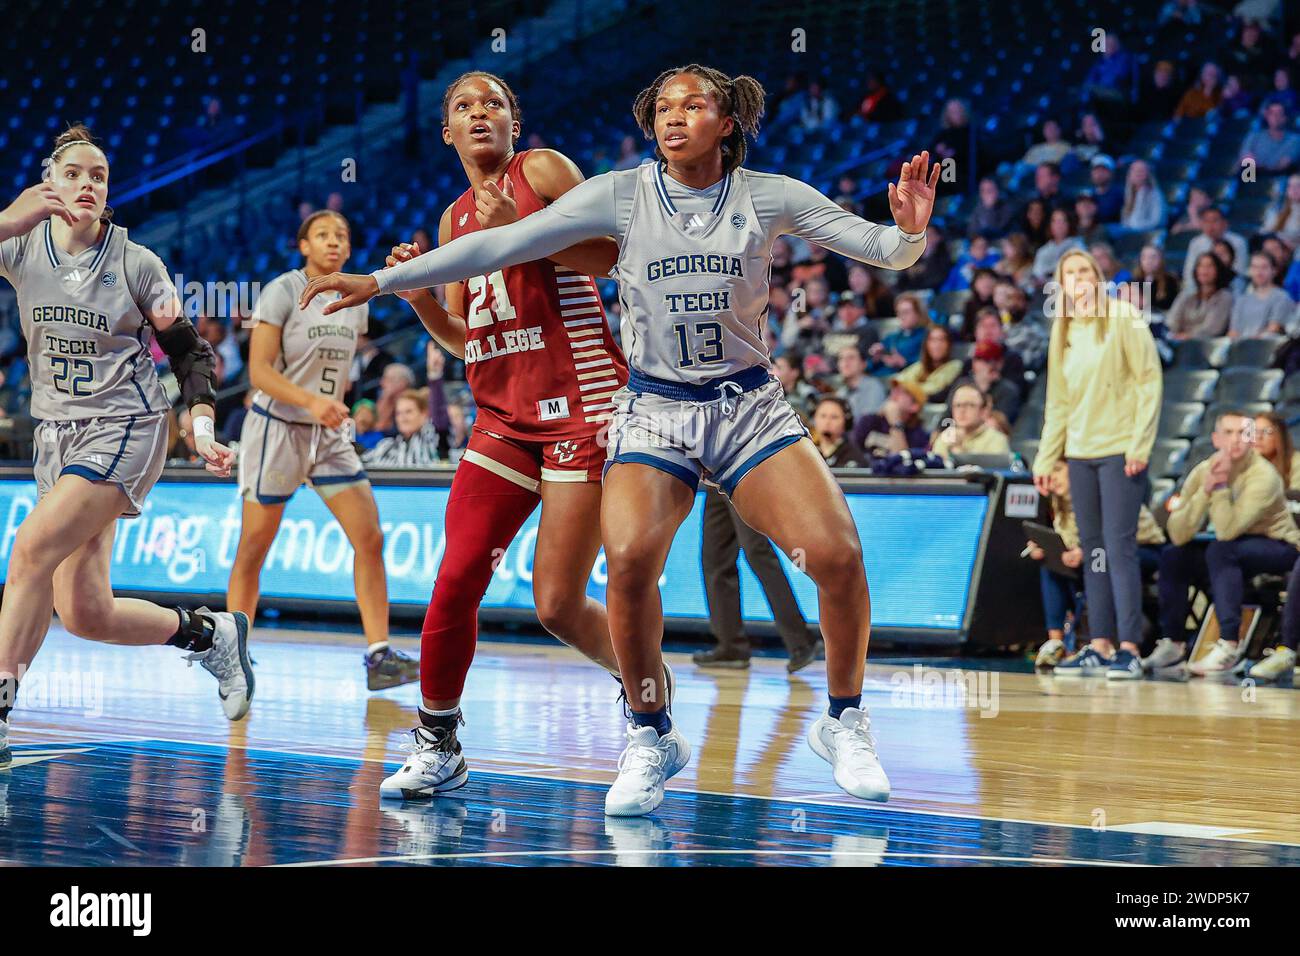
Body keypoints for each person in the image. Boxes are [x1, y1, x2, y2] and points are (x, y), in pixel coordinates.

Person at [301, 64, 939, 814]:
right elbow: (487, 271)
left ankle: (844, 720)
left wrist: (908, 228)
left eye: (693, 105)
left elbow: (888, 253)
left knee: (833, 554)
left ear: (726, 121)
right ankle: (643, 730)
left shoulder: (763, 193)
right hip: (641, 407)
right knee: (620, 561)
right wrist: (379, 283)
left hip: (718, 406)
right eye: (663, 106)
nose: (674, 116)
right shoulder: (617, 191)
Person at [366, 71, 640, 801]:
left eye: (493, 103)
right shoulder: (453, 218)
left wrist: (514, 232)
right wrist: (424, 303)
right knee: (455, 580)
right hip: (501, 420)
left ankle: (648, 697)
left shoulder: (543, 171)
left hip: (581, 406)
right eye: (462, 106)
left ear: (515, 123)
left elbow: (612, 260)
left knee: (555, 604)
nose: (479, 112)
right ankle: (438, 740)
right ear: (448, 133)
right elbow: (464, 337)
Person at [0, 125, 250, 768]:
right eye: (75, 173)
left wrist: (199, 425)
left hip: (128, 425)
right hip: (57, 435)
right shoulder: (21, 246)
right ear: (49, 182)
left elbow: (191, 351)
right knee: (84, 612)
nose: (88, 184)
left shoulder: (137, 263)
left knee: (28, 550)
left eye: (100, 175)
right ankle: (211, 633)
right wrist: (6, 219)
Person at [228, 210, 419, 690]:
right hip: (279, 429)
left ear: (350, 249)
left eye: (342, 236)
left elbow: (337, 372)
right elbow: (260, 373)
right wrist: (313, 400)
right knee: (254, 547)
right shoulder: (281, 291)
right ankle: (233, 653)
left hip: (328, 434)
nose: (334, 242)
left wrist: (339, 406)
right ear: (304, 245)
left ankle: (379, 655)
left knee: (370, 538)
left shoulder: (356, 300)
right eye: (323, 235)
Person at [1034, 248, 1161, 679]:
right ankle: (1100, 643)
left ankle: (1129, 648)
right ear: (1062, 283)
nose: (1079, 278)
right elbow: (1059, 401)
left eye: (1085, 270)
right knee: (1095, 550)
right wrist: (1047, 456)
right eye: (1070, 273)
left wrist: (1140, 445)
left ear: (1098, 275)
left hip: (1122, 450)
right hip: (1081, 454)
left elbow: (1149, 382)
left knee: (1119, 546)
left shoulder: (1124, 317)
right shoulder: (1064, 329)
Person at [1150, 411, 1300, 674]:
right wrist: (1204, 492)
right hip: (1233, 545)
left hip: (1280, 546)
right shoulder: (1204, 470)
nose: (1236, 440)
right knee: (1174, 555)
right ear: (1216, 439)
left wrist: (1218, 489)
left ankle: (1230, 645)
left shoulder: (1263, 476)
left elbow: (1227, 530)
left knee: (1222, 550)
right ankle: (1172, 643)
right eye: (1228, 433)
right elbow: (1177, 533)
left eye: (1243, 433)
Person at [694, 482, 822, 672]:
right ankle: (731, 647)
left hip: (743, 473)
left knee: (757, 553)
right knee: (715, 559)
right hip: (715, 478)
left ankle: (801, 642)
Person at [930, 381, 1011, 459]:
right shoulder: (944, 438)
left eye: (970, 405)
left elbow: (995, 470)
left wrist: (959, 452)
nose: (962, 410)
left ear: (983, 411)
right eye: (958, 405)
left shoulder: (996, 440)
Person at [854, 379, 930, 458]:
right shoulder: (869, 421)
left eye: (902, 391)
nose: (894, 393)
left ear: (914, 406)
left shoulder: (918, 435)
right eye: (894, 389)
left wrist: (895, 423)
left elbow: (903, 464)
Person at [1167, 252, 1234, 339]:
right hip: (1177, 341)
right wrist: (1173, 334)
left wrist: (1187, 336)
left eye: (1209, 266)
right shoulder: (1186, 294)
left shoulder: (1225, 297)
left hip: (1207, 346)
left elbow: (1212, 329)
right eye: (1200, 266)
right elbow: (1172, 320)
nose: (1204, 270)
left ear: (1218, 270)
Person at [1230, 251, 1294, 337]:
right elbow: (1233, 331)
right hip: (1239, 347)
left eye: (1264, 267)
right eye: (1255, 267)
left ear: (1274, 271)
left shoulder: (1282, 297)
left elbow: (1274, 328)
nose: (1259, 272)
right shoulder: (1242, 300)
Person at [894, 324, 962, 402]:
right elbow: (899, 382)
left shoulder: (955, 365)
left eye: (941, 340)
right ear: (926, 344)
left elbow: (935, 388)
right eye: (932, 340)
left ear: (948, 344)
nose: (937, 345)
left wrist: (909, 389)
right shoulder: (920, 366)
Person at [1182, 206, 1249, 285]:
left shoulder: (1239, 242)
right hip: (1200, 286)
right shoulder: (1196, 243)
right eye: (1206, 221)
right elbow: (1189, 271)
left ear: (1225, 223)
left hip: (1231, 286)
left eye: (1214, 221)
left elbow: (1240, 272)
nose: (1210, 225)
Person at [868, 292, 928, 376]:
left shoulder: (927, 336)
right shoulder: (892, 338)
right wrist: (875, 358)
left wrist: (904, 363)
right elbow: (870, 366)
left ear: (918, 313)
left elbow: (929, 364)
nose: (901, 317)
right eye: (899, 312)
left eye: (906, 312)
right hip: (882, 379)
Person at [1241, 101, 1300, 175]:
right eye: (1271, 113)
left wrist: (1259, 166)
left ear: (1285, 117)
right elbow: (1246, 159)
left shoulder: (1295, 140)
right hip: (1254, 177)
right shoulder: (1254, 136)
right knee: (1246, 174)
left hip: (1279, 179)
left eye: (1279, 114)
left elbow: (1283, 165)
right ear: (1267, 116)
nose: (1275, 117)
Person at [812, 395, 868, 468]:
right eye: (823, 416)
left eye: (834, 417)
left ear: (846, 422)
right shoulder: (807, 451)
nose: (827, 421)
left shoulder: (854, 456)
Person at [834, 345, 886, 421]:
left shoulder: (874, 387)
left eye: (851, 358)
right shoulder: (841, 393)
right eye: (841, 358)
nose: (845, 362)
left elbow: (867, 423)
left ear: (863, 364)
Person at [1254, 410, 1300, 491]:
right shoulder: (1245, 462)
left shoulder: (1296, 462)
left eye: (1266, 432)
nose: (1259, 437)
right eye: (1254, 431)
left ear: (1280, 436)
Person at [1120, 160, 1166, 231]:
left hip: (1144, 233)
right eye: (1134, 170)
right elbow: (1125, 219)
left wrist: (1135, 226)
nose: (1138, 173)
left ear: (1148, 174)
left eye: (1141, 170)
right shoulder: (1129, 193)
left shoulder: (1155, 194)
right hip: (1128, 231)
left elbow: (1157, 222)